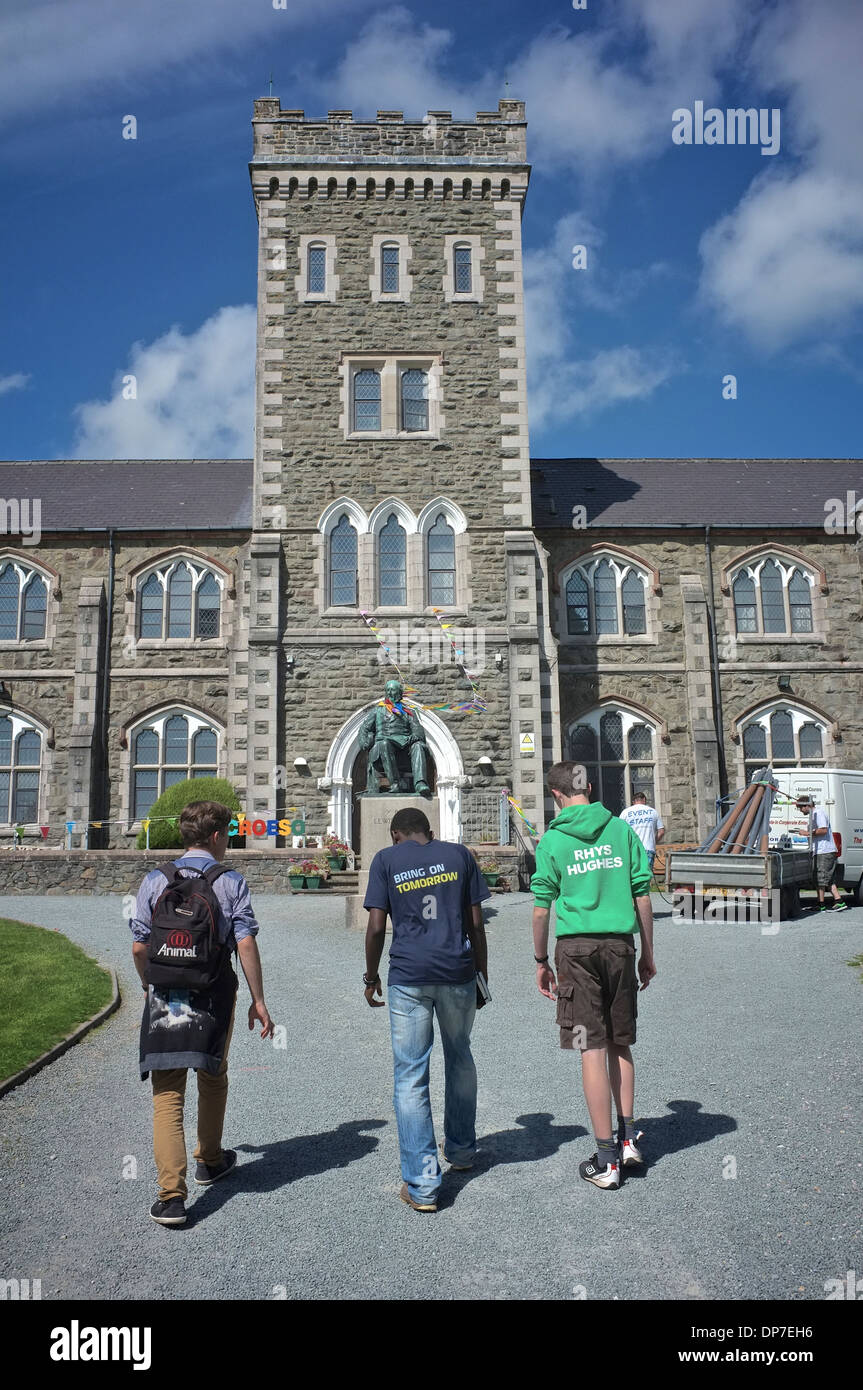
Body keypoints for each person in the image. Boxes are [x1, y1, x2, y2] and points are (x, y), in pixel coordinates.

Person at [130, 800, 274, 1226]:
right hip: (214, 994)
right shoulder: (229, 882)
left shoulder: (157, 879)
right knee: (213, 1077)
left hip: (165, 996)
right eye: (227, 833)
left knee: (167, 1094)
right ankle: (209, 1159)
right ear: (214, 836)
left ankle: (171, 1197)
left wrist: (146, 984)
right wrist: (259, 1000)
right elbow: (244, 942)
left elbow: (140, 945)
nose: (228, 841)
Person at [531, 762, 656, 1190]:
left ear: (556, 794)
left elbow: (541, 906)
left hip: (576, 952)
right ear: (589, 788)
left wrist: (540, 960)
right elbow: (642, 891)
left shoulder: (552, 839)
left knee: (590, 1047)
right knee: (620, 1041)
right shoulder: (620, 830)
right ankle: (627, 1139)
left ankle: (605, 1160)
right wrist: (648, 953)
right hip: (620, 946)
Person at [363, 807, 490, 1212]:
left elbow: (376, 926)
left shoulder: (385, 860)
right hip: (457, 972)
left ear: (395, 834)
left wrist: (370, 976)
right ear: (430, 832)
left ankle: (422, 1186)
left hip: (409, 975)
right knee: (460, 1056)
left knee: (411, 1076)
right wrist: (481, 975)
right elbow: (476, 923)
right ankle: (463, 1151)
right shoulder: (459, 855)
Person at [795, 795, 847, 911]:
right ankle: (836, 901)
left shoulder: (818, 813)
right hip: (821, 850)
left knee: (821, 878)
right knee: (827, 878)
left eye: (801, 808)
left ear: (807, 805)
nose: (800, 810)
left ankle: (823, 903)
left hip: (824, 850)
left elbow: (823, 830)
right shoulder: (813, 815)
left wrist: (807, 833)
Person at [620, 791, 665, 874]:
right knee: (646, 875)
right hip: (648, 847)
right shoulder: (653, 812)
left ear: (633, 802)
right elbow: (661, 831)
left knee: (633, 875)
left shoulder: (625, 812)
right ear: (644, 800)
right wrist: (653, 841)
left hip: (632, 849)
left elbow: (620, 832)